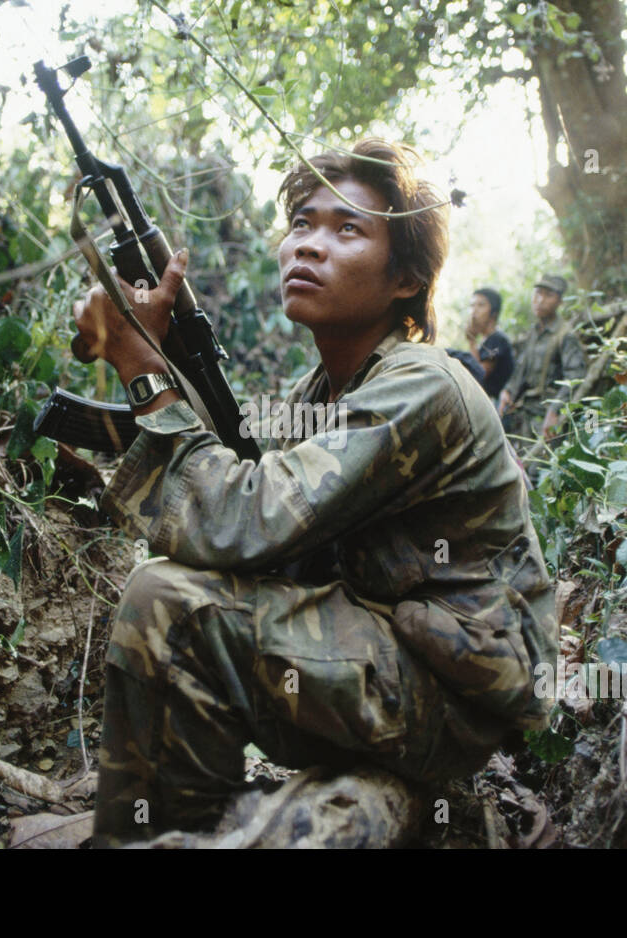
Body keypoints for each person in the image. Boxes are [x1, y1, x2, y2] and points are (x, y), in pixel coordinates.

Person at [71, 139, 559, 846]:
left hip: (450, 697)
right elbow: (255, 529)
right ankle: (177, 827)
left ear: (406, 278)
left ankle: (150, 833)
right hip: (382, 656)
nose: (310, 245)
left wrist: (145, 371)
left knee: (167, 604)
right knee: (179, 594)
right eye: (301, 222)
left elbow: (240, 519)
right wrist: (160, 358)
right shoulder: (320, 394)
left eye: (348, 228)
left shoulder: (424, 383)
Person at [499, 275, 587, 444]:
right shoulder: (533, 333)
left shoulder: (565, 335)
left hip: (547, 416)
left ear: (560, 301)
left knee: (538, 467)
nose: (540, 300)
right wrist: (508, 391)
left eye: (548, 295)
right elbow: (521, 370)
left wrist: (555, 411)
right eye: (538, 293)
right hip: (526, 414)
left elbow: (575, 376)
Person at [464, 288, 515, 400]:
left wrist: (472, 341)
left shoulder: (498, 339)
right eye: (472, 306)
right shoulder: (485, 340)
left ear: (494, 313)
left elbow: (479, 374)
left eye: (481, 305)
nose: (474, 311)